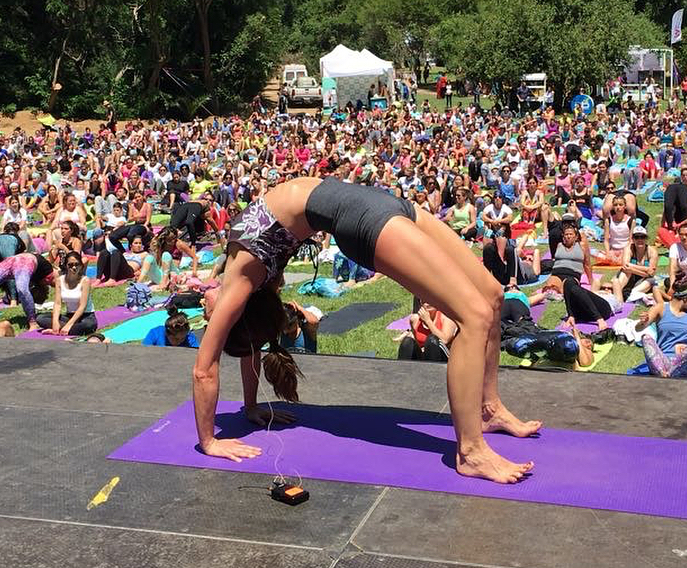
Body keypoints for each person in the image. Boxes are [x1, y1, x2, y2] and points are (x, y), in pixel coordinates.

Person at [193, 176, 541, 484]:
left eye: (209, 317)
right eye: (216, 318)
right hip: (362, 220)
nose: (209, 312)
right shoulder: (241, 281)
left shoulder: (247, 282)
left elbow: (246, 344)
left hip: (378, 202)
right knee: (474, 316)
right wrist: (209, 441)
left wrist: (251, 406)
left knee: (492, 296)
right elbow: (205, 369)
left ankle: (489, 409)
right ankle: (470, 451)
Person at [636, 277, 687, 379]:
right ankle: (666, 374)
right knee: (646, 338)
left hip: (684, 366)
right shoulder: (660, 308)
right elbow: (638, 329)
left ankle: (668, 375)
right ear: (686, 297)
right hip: (662, 363)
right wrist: (642, 322)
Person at [42, 251, 97, 336]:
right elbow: (57, 304)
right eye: (70, 265)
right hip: (69, 315)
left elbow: (82, 306)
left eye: (77, 264)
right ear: (66, 266)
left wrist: (68, 325)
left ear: (81, 265)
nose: (74, 267)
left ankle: (64, 329)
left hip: (86, 316)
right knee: (41, 318)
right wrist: (55, 322)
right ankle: (62, 328)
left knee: (88, 325)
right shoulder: (59, 280)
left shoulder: (85, 280)